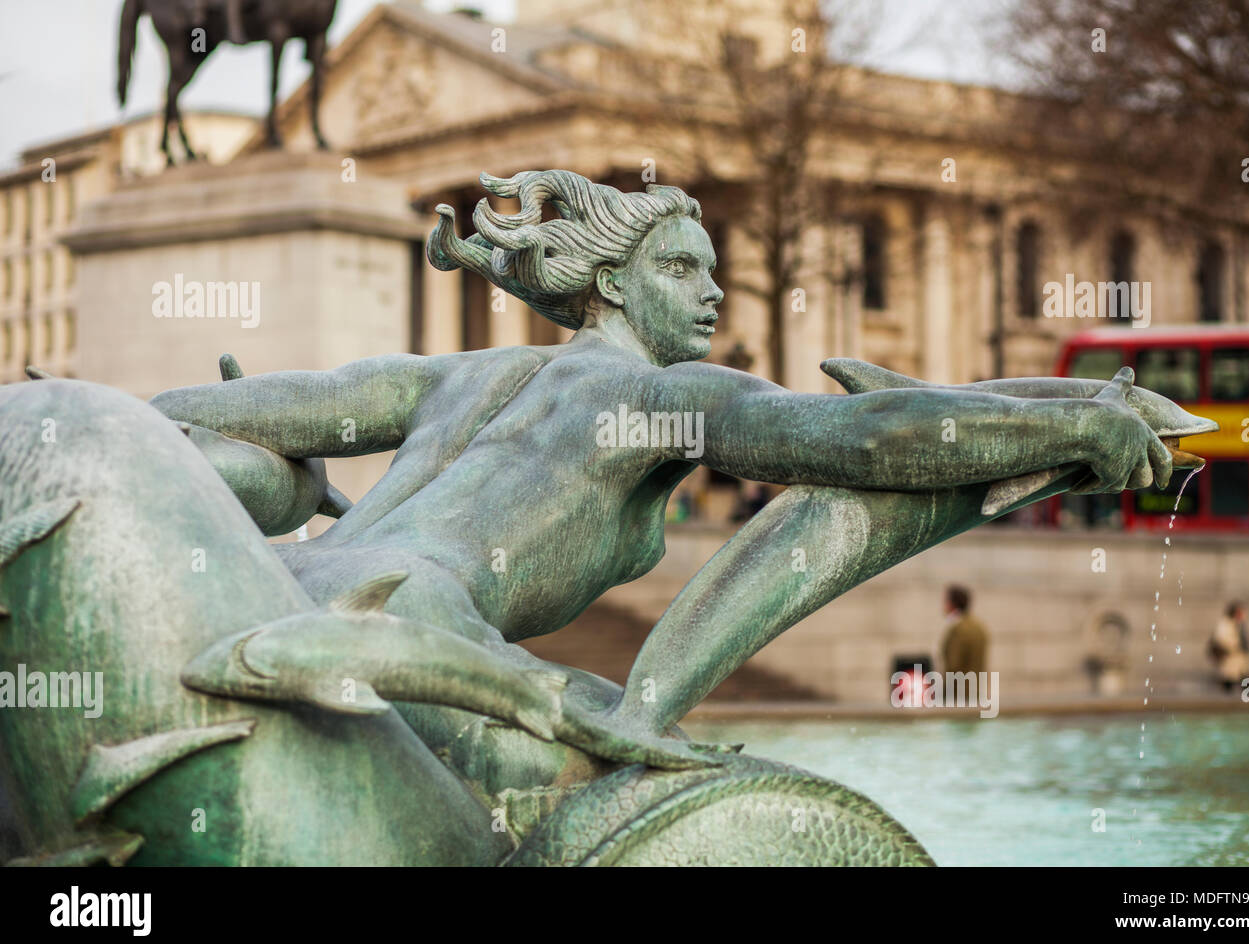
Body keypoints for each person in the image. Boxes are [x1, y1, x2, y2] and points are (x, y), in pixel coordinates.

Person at [132, 170, 1174, 784]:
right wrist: (1077, 424)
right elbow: (866, 441)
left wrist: (290, 486)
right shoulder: (672, 400)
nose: (713, 293)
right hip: (431, 652)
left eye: (717, 272)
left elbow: (193, 417)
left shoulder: (456, 374)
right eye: (683, 270)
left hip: (282, 594)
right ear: (611, 281)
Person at [941, 585, 989, 678]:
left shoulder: (958, 629)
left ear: (952, 603)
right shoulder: (979, 627)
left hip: (958, 689)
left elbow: (953, 666)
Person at [1208, 601, 1249, 692]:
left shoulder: (1238, 624)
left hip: (1239, 657)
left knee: (1244, 675)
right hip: (1230, 657)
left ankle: (1246, 696)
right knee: (1229, 678)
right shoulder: (1225, 624)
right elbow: (1222, 640)